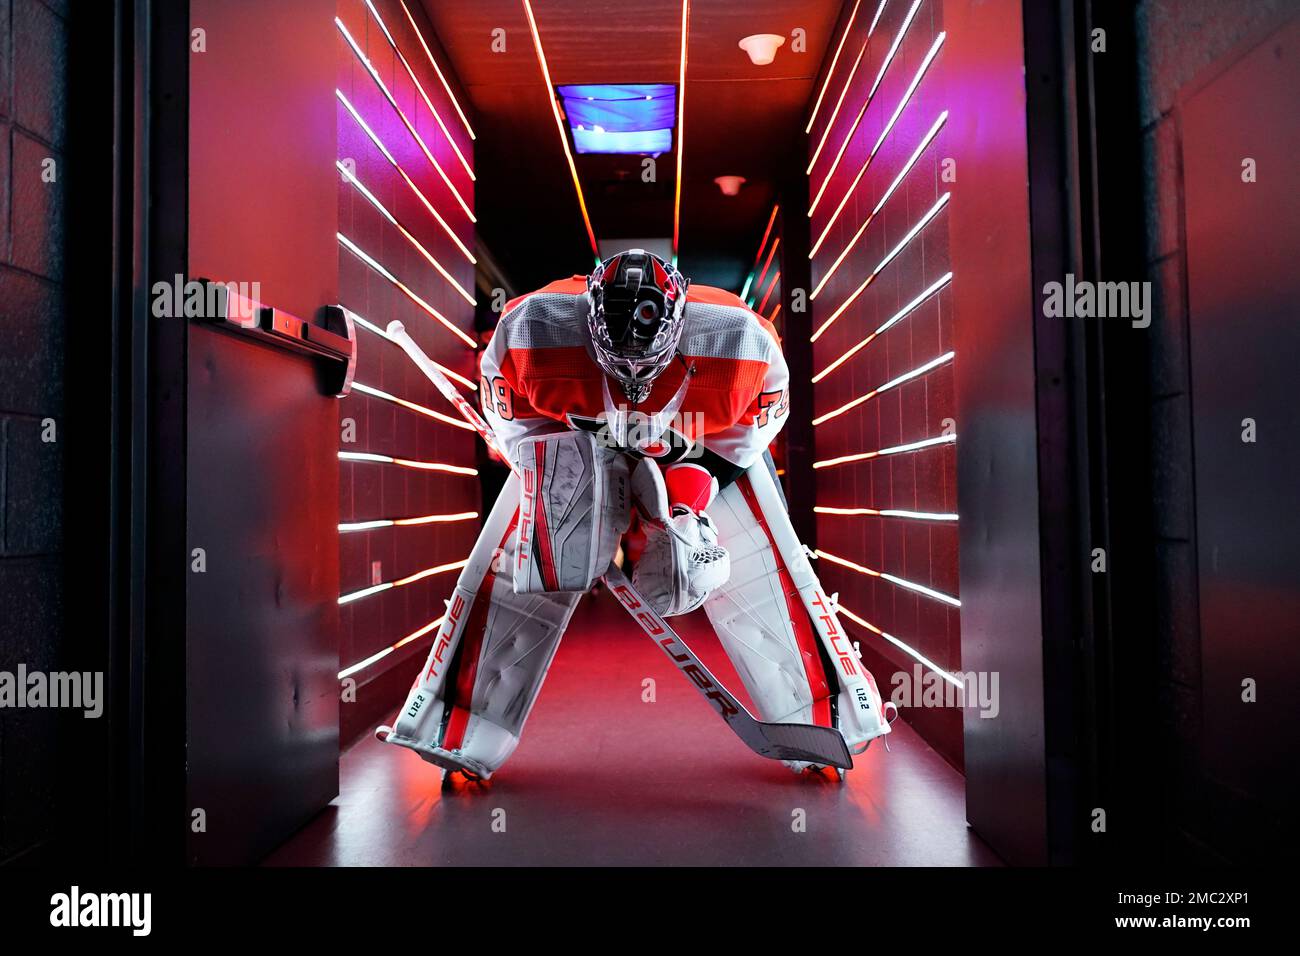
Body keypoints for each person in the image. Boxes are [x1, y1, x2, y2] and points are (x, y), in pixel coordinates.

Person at [379, 250, 891, 780]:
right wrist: (559, 482)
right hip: (577, 437)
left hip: (697, 443)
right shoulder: (532, 328)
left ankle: (830, 714)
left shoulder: (740, 339)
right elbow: (511, 409)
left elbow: (757, 421)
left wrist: (692, 493)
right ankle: (458, 724)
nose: (634, 378)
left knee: (722, 566)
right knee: (538, 560)